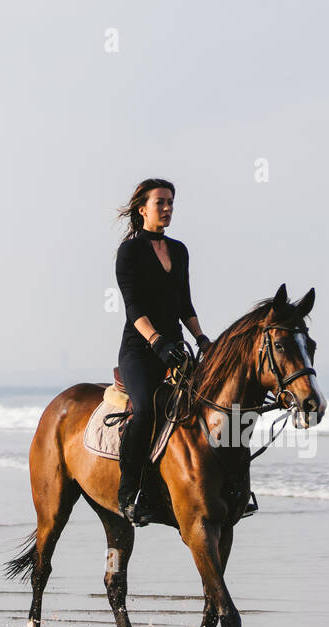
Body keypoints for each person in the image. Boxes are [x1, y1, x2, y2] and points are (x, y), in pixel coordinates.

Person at [113, 178, 211, 526]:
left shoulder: (179, 250)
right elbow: (133, 307)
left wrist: (201, 339)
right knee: (144, 410)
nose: (167, 208)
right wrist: (156, 342)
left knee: (218, 406)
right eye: (161, 202)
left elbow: (184, 303)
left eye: (171, 202)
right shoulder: (129, 252)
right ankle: (129, 493)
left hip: (177, 348)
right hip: (140, 350)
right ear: (143, 209)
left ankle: (230, 487)